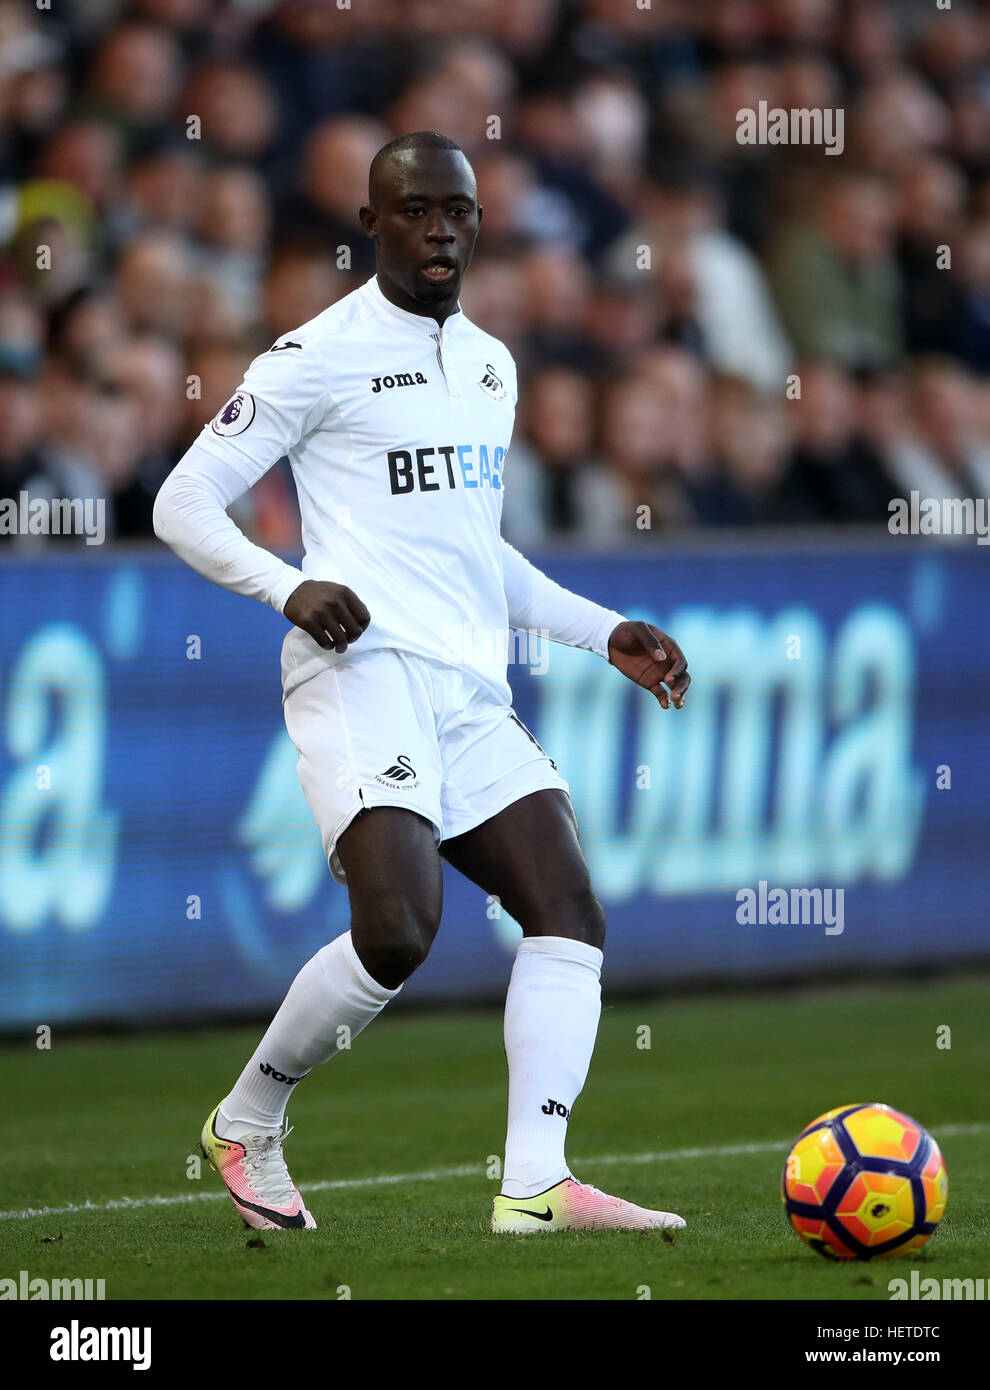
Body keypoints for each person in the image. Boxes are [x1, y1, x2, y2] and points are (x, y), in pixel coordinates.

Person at [153, 131, 691, 1236]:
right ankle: (247, 1119)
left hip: (466, 687)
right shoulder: (315, 356)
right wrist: (288, 586)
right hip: (361, 672)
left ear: (479, 224)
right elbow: (182, 503)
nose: (440, 228)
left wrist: (604, 632)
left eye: (459, 210)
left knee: (568, 908)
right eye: (414, 211)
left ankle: (534, 1183)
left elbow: (472, 550)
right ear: (373, 226)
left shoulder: (490, 364)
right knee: (399, 932)